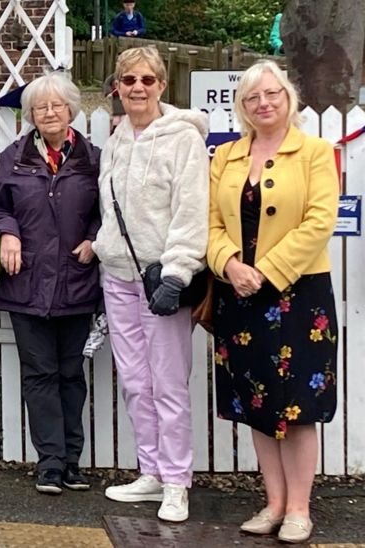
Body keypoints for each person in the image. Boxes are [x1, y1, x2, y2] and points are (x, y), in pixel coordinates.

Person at [208, 60, 338, 544]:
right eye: (252, 98)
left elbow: (320, 221)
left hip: (300, 295)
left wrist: (266, 270)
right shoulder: (226, 155)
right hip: (239, 295)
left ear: (288, 97)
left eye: (272, 94)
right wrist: (230, 265)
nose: (264, 104)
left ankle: (300, 509)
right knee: (258, 402)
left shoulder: (316, 152)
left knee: (299, 406)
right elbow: (210, 224)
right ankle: (275, 502)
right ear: (242, 107)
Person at [92, 46, 209, 522]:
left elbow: (191, 211)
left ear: (162, 84)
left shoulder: (183, 140)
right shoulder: (117, 137)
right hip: (117, 274)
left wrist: (179, 273)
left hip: (162, 278)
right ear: (116, 87)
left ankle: (178, 481)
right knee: (137, 382)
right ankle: (152, 472)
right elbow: (110, 209)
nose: (137, 88)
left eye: (146, 80)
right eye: (128, 80)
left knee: (168, 384)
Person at [0, 72, 101, 495]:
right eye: (41, 107)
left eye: (57, 105)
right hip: (28, 281)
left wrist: (94, 239)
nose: (50, 112)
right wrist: (8, 231)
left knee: (71, 374)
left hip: (76, 279)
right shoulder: (14, 156)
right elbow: (0, 207)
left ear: (71, 109)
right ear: (30, 115)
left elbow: (105, 210)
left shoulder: (92, 157)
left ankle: (73, 462)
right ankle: (50, 463)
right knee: (39, 374)